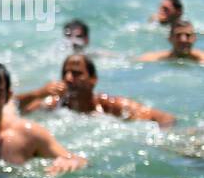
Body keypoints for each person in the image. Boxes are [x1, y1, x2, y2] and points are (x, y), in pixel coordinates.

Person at [17, 54, 175, 126]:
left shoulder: (110, 106)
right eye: (65, 73)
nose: (69, 78)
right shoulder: (52, 105)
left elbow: (165, 117)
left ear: (93, 80)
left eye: (77, 74)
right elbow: (12, 108)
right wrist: (38, 93)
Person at [139, 20, 203, 63]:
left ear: (195, 38)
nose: (183, 40)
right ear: (169, 38)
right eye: (178, 35)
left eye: (188, 35)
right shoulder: (152, 59)